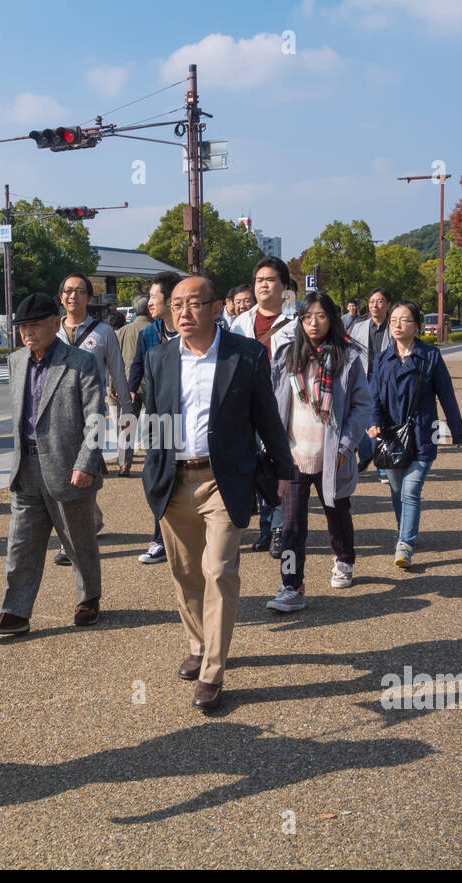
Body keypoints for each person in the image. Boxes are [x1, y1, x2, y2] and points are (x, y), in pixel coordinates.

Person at [142, 276, 293, 711]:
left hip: (224, 480)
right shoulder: (158, 357)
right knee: (186, 574)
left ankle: (212, 671)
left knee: (219, 572)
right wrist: (152, 473)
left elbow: (266, 413)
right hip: (174, 481)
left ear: (215, 309)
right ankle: (198, 642)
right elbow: (153, 420)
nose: (183, 313)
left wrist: (282, 468)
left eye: (193, 304)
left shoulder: (244, 355)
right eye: (176, 305)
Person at [0, 293, 105, 636]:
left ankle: (88, 597)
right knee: (20, 543)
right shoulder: (17, 361)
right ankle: (14, 611)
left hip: (69, 466)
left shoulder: (80, 362)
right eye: (22, 327)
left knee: (79, 540)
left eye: (34, 325)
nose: (28, 333)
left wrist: (87, 462)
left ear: (54, 322)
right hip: (27, 468)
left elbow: (96, 417)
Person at [265, 292, 372, 612]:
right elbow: (272, 402)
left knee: (338, 516)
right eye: (307, 316)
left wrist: (346, 447)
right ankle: (290, 585)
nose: (314, 322)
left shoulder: (348, 357)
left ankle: (344, 560)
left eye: (321, 316)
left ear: (332, 319)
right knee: (291, 528)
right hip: (293, 457)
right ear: (300, 320)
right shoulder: (285, 356)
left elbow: (362, 405)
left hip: (331, 457)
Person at [367, 301, 462, 569]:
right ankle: (405, 532)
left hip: (424, 432)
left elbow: (446, 394)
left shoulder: (431, 356)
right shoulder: (382, 359)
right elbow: (373, 397)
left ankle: (405, 544)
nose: (397, 325)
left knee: (411, 491)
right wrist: (373, 423)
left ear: (417, 326)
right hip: (390, 437)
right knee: (397, 490)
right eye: (394, 320)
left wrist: (457, 431)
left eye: (405, 320)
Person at [52, 272, 127, 566]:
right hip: (58, 415)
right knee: (65, 473)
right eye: (68, 291)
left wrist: (127, 415)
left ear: (89, 297)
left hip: (92, 414)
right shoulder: (52, 330)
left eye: (79, 291)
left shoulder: (104, 333)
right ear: (61, 297)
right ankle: (90, 518)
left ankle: (69, 540)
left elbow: (117, 372)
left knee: (82, 472)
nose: (73, 296)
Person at [230, 256, 295, 555]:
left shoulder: (297, 322)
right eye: (259, 280)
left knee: (280, 466)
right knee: (257, 468)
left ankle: (281, 527)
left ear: (284, 287)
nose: (263, 285)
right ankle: (266, 527)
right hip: (248, 405)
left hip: (286, 404)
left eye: (270, 279)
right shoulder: (239, 324)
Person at [128, 271, 182, 564]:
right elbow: (137, 366)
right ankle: (159, 539)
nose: (148, 302)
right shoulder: (148, 333)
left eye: (153, 296)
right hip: (157, 416)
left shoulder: (191, 330)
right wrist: (130, 396)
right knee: (158, 476)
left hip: (186, 418)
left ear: (170, 299)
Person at [349, 288, 394, 481]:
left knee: (384, 421)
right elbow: (350, 351)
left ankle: (382, 465)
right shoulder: (359, 326)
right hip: (363, 378)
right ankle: (367, 454)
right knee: (362, 420)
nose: (375, 305)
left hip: (387, 381)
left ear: (388, 305)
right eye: (372, 301)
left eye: (380, 301)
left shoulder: (394, 326)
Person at [115, 293, 151, 478]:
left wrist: (114, 384)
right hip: (152, 385)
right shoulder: (154, 329)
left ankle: (123, 464)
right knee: (156, 424)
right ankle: (156, 462)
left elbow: (114, 360)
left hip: (128, 385)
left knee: (127, 426)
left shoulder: (122, 331)